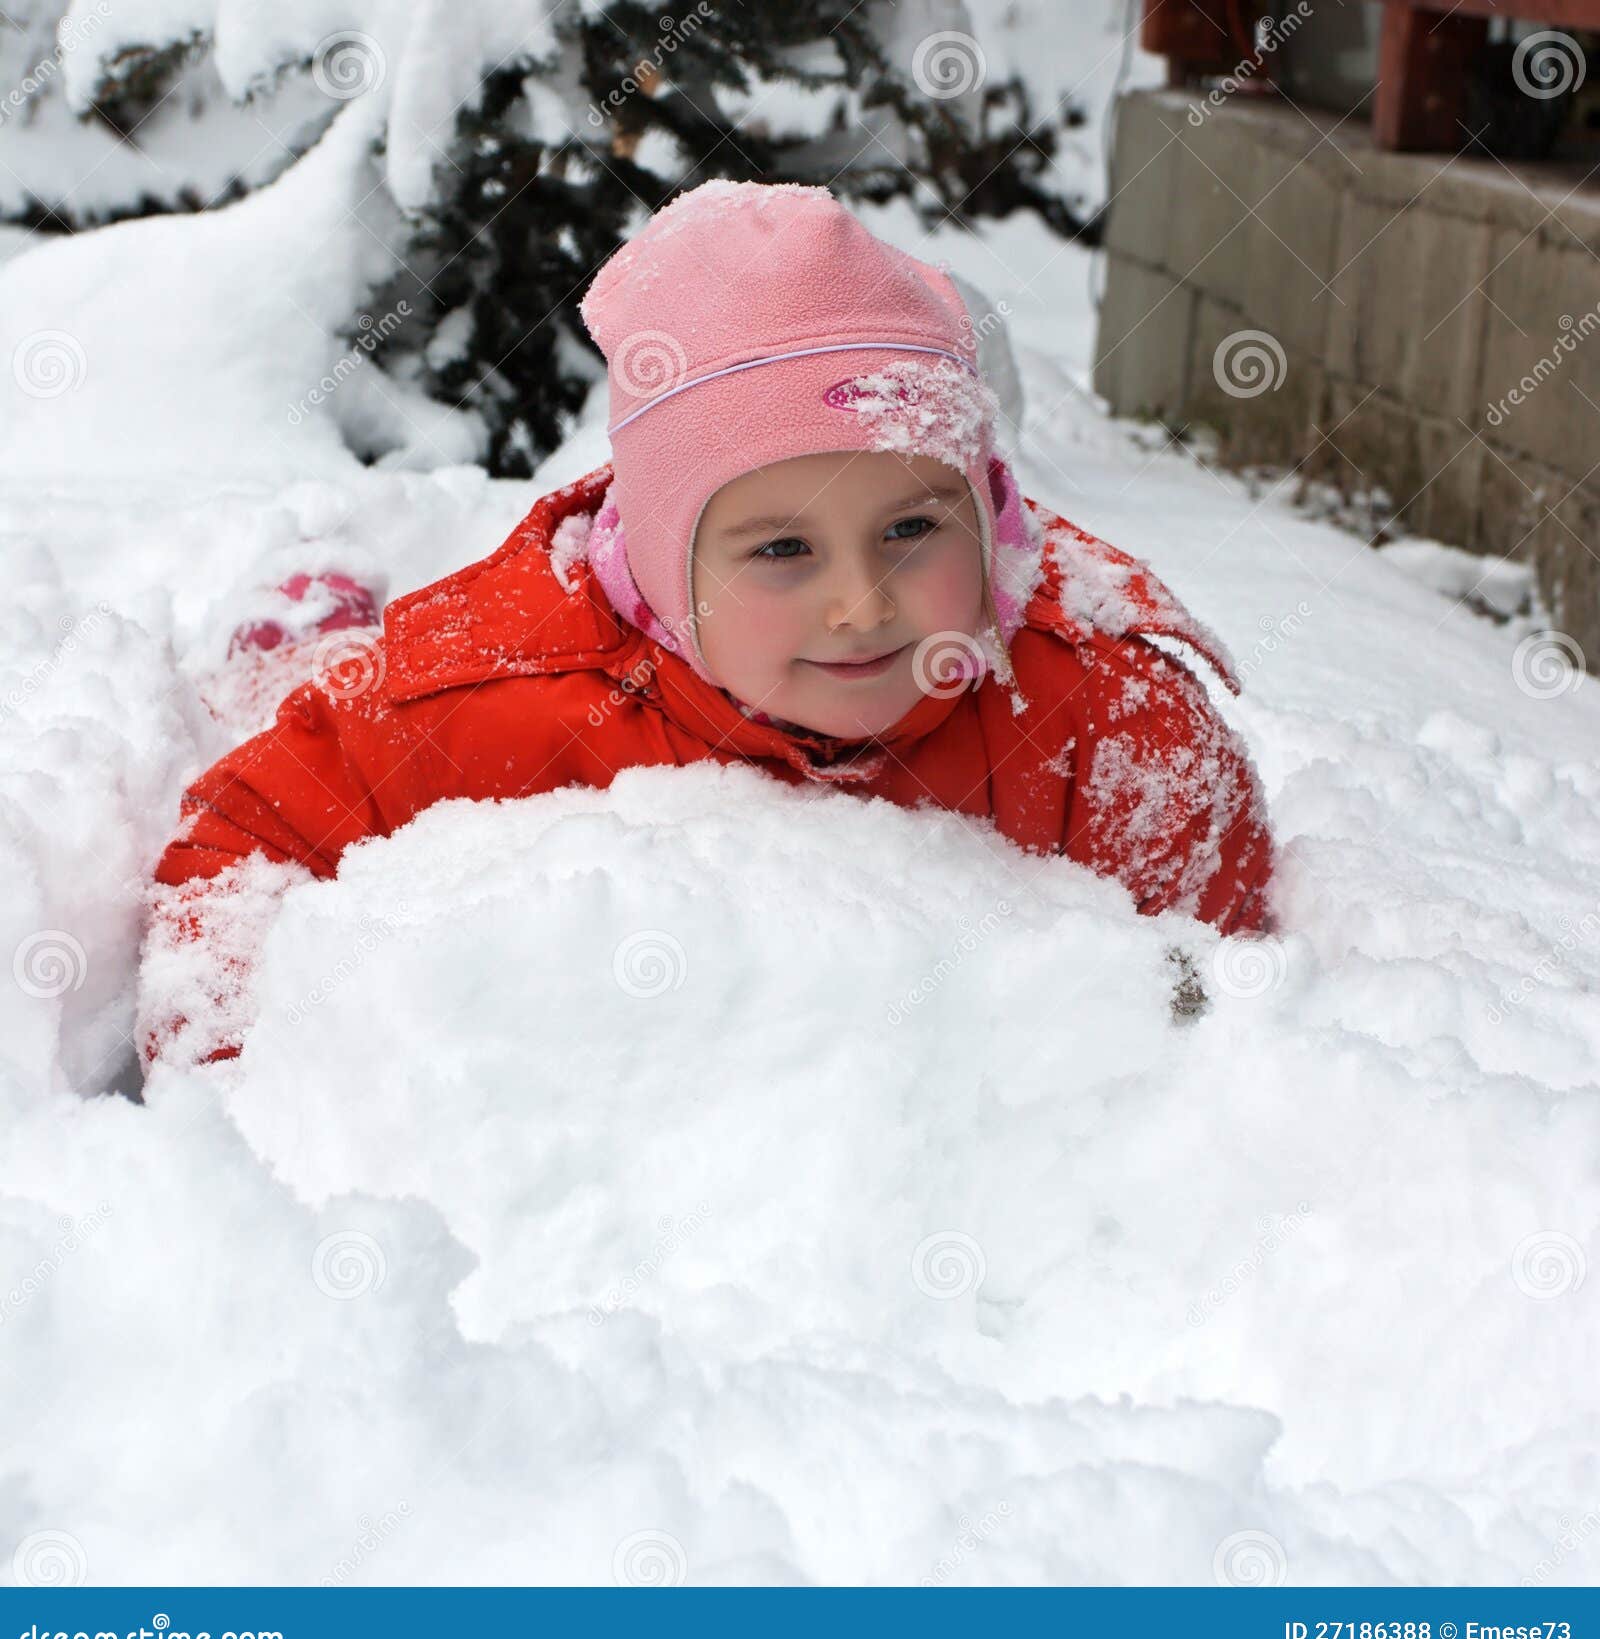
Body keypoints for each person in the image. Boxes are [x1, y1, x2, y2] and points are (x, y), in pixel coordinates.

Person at [137, 180, 1273, 1072]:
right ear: (672, 573)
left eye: (912, 532)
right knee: (327, 695)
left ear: (986, 512)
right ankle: (308, 630)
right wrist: (238, 1092)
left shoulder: (1095, 712)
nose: (860, 602)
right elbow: (244, 844)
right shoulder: (502, 690)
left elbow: (1228, 986)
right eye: (783, 550)